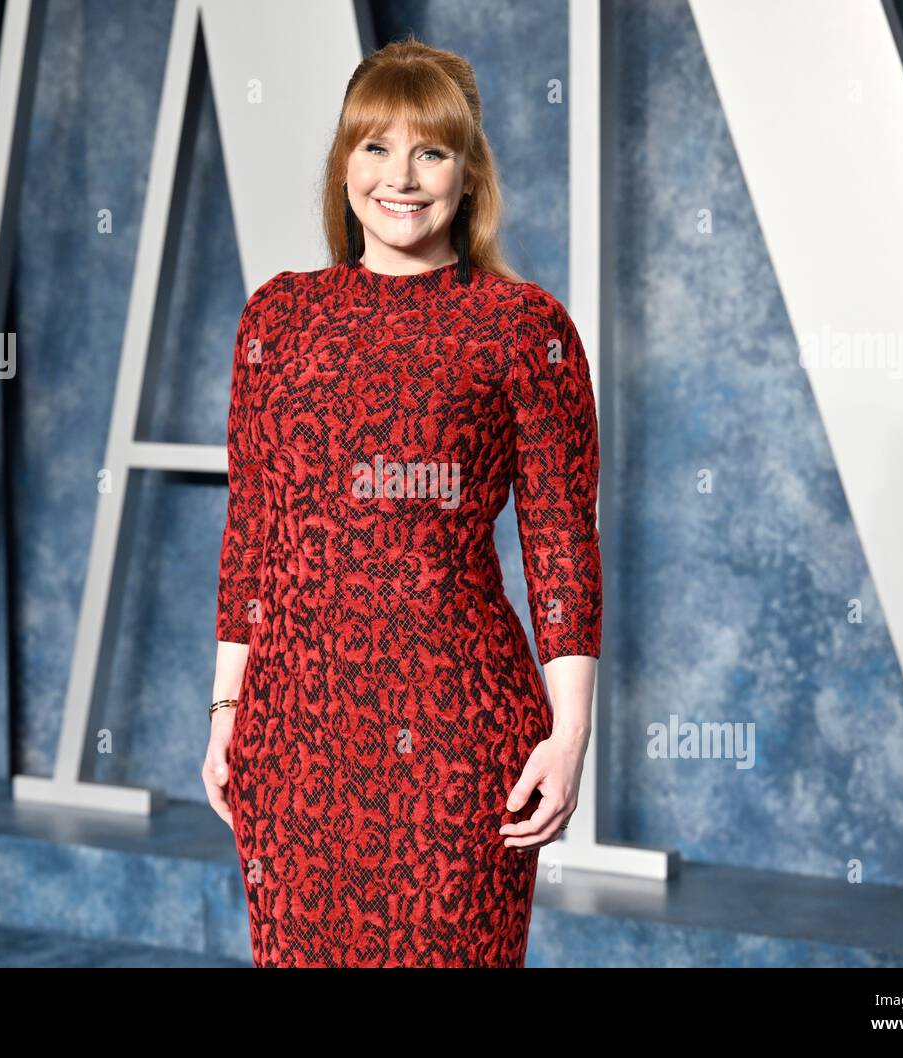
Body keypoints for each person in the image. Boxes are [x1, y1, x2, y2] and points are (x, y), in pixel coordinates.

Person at [202, 36, 602, 968]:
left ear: (469, 174)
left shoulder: (521, 326)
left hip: (460, 734)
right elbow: (253, 532)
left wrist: (570, 731)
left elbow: (560, 542)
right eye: (377, 147)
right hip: (294, 732)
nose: (403, 177)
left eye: (432, 151)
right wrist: (227, 714)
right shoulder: (278, 317)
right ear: (346, 165)